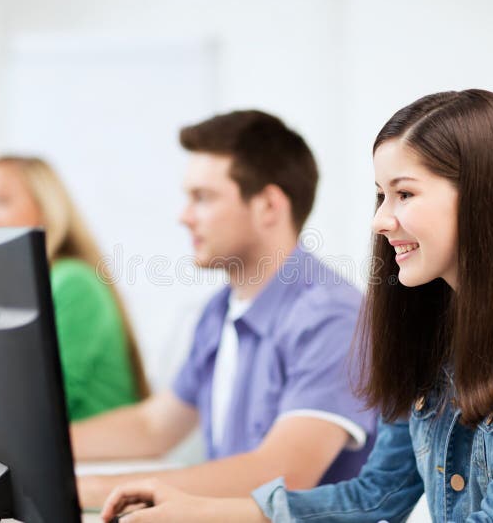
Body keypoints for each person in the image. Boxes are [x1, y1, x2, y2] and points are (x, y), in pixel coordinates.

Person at [99, 90, 493, 522]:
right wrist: (198, 511)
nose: (380, 220)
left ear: (482, 197)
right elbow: (377, 493)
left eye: (404, 194)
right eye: (380, 195)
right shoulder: (428, 332)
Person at [74, 110, 375, 508]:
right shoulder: (219, 311)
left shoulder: (332, 317)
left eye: (202, 197)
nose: (184, 216)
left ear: (268, 205)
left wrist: (94, 490)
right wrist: (34, 447)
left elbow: (284, 472)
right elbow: (155, 426)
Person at [0, 155, 148, 419]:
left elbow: (39, 401)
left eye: (0, 201)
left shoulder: (72, 282)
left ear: (46, 211)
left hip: (104, 456)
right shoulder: (19, 291)